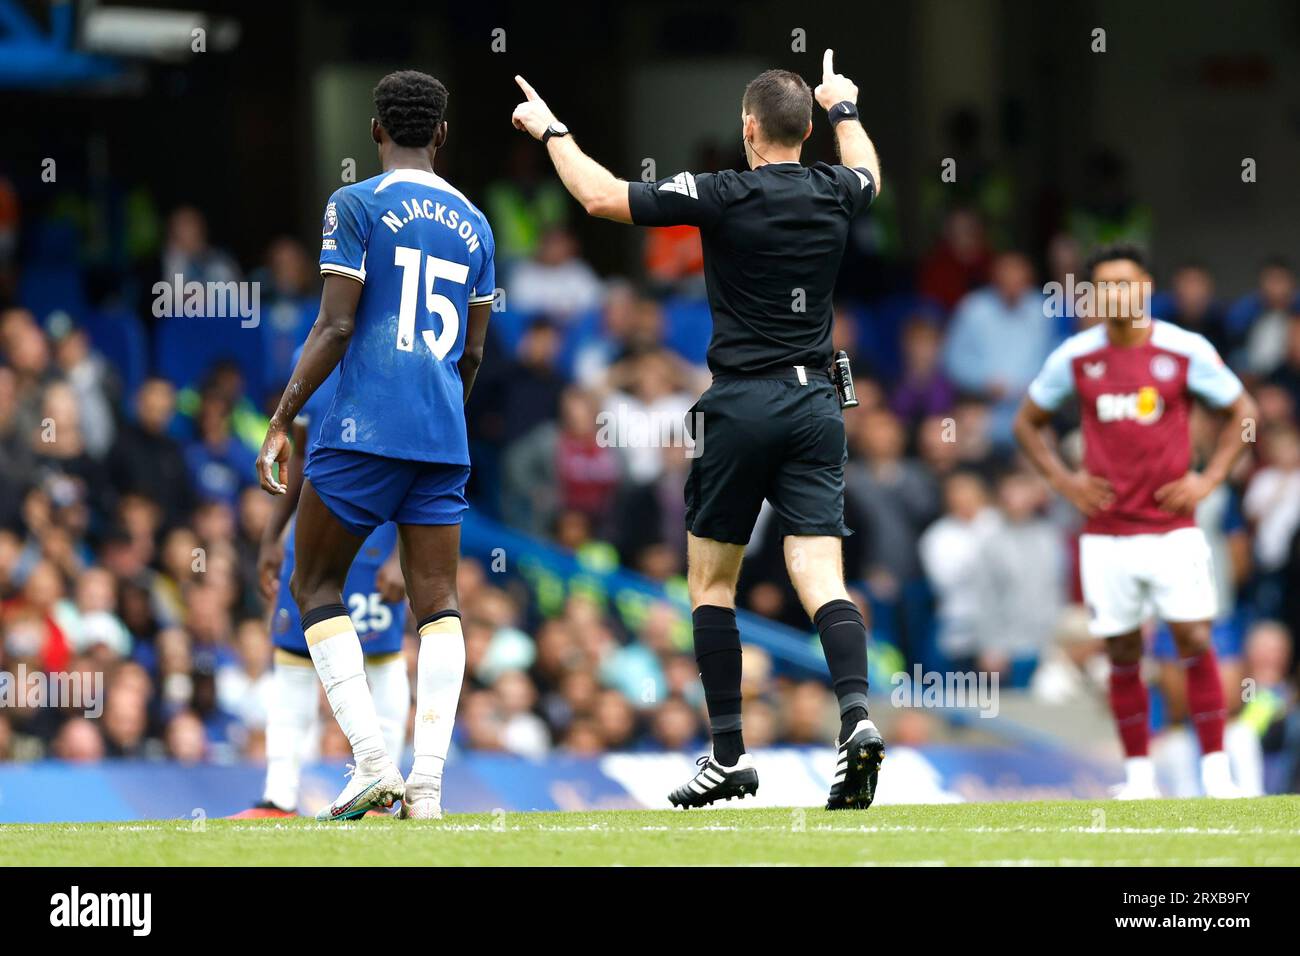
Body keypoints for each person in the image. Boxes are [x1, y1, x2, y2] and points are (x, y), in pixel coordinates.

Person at [509, 50, 886, 809]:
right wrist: (844, 105)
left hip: (740, 404)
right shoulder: (835, 187)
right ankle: (856, 717)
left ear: (749, 129)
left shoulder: (722, 192)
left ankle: (728, 754)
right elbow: (870, 172)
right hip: (816, 404)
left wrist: (550, 130)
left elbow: (601, 197)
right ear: (805, 129)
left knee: (712, 582)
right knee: (821, 575)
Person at [256, 70, 496, 821]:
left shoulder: (354, 203)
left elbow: (334, 326)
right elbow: (475, 355)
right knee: (440, 603)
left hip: (363, 426)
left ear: (374, 132)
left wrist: (282, 414)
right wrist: (440, 413)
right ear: (443, 135)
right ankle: (426, 785)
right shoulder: (478, 225)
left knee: (314, 583)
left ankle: (370, 761)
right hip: (441, 430)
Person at [1013, 243, 1257, 799]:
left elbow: (1246, 414)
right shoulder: (1076, 356)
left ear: (1145, 286)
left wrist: (1208, 479)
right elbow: (1027, 423)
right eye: (1105, 285)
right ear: (1095, 295)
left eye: (1126, 282)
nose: (1116, 294)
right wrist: (1065, 482)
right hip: (1106, 532)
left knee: (1194, 638)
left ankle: (1215, 771)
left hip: (1173, 528)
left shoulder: (1184, 349)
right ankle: (1139, 777)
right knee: (1122, 651)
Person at [232, 353, 409, 818]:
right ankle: (278, 797)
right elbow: (306, 458)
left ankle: (382, 800)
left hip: (375, 544)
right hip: (309, 538)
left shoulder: (399, 356)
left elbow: (421, 467)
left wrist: (402, 555)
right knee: (292, 657)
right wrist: (274, 536)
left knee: (383, 658)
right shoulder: (310, 357)